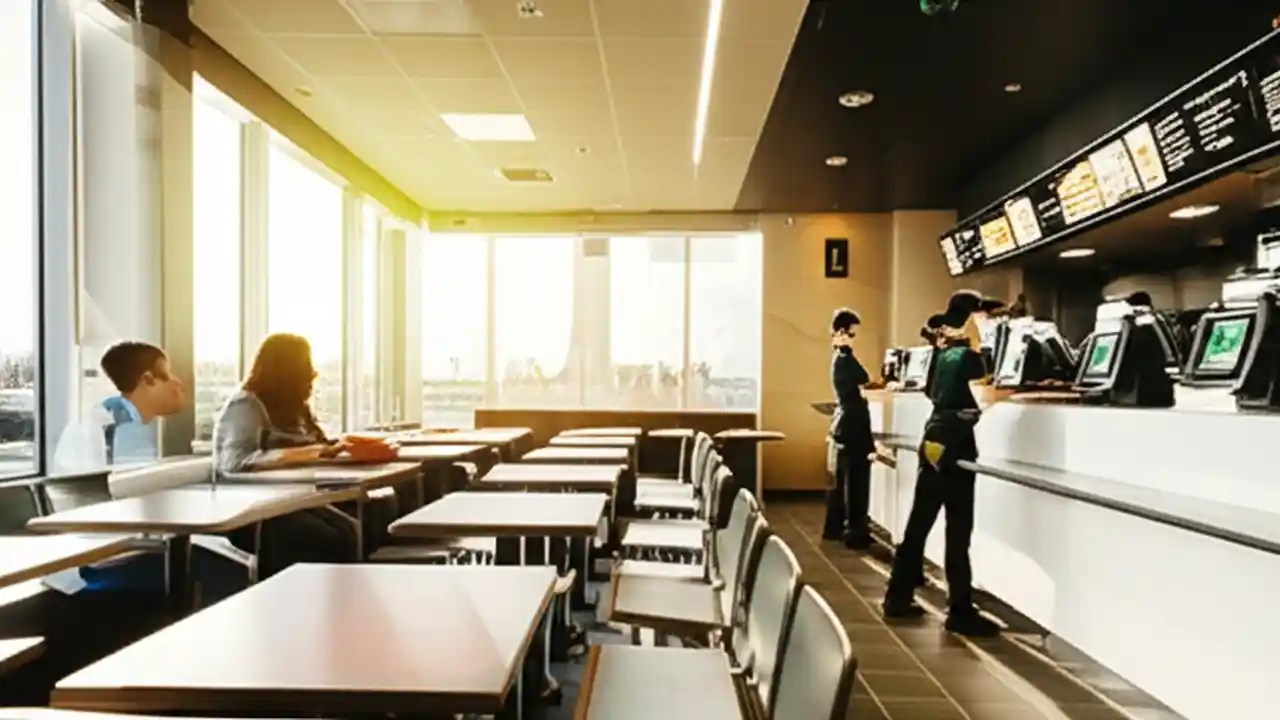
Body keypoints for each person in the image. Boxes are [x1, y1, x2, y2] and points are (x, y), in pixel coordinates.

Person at [883, 290, 1001, 637]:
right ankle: (960, 609)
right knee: (958, 528)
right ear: (971, 318)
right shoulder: (969, 357)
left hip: (932, 440)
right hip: (956, 443)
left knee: (919, 524)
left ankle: (897, 596)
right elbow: (986, 394)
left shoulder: (942, 353)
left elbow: (929, 392)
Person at [213, 333, 356, 577]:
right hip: (252, 509)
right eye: (305, 365)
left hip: (294, 500)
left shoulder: (295, 406)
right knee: (328, 538)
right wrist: (305, 454)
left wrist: (337, 448)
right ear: (284, 370)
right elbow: (235, 464)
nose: (313, 372)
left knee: (352, 527)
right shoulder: (247, 405)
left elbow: (318, 443)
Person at [823, 308, 875, 549]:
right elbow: (864, 377)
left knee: (844, 482)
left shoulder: (838, 358)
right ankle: (855, 531)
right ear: (843, 332)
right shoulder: (844, 359)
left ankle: (840, 528)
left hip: (845, 426)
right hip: (853, 427)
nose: (853, 339)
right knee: (856, 483)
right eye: (852, 334)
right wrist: (847, 348)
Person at [99, 341, 186, 464]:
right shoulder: (112, 428)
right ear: (148, 379)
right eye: (168, 374)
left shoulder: (150, 428)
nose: (177, 382)